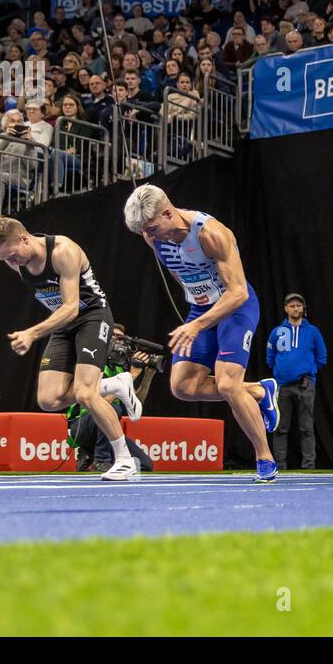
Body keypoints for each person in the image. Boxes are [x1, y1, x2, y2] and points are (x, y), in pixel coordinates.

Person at [122, 185, 282, 482]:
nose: (151, 236)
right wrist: (196, 307)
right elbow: (177, 268)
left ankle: (264, 456)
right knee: (182, 387)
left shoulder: (211, 234)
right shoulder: (152, 235)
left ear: (168, 212)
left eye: (154, 228)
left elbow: (238, 292)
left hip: (235, 307)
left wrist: (197, 324)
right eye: (146, 232)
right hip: (200, 309)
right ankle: (260, 390)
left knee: (228, 383)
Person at [0, 218, 143, 481]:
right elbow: (62, 310)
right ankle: (114, 384)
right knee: (48, 400)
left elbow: (71, 306)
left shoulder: (63, 251)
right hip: (64, 325)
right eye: (6, 260)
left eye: (12, 256)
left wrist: (33, 332)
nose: (12, 263)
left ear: (25, 238)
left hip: (92, 316)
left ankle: (124, 460)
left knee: (84, 392)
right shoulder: (18, 263)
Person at [67, 323, 156, 473]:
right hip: (82, 425)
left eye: (122, 339)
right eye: (114, 337)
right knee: (112, 408)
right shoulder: (92, 363)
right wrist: (132, 376)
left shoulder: (120, 368)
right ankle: (100, 460)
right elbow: (96, 404)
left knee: (144, 465)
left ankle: (89, 454)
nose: (119, 342)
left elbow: (135, 405)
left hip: (106, 429)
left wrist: (147, 377)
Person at [265, 293, 327, 470]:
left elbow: (322, 357)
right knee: (280, 427)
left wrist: (309, 372)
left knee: (306, 427)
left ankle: (308, 466)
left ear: (303, 308)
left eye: (299, 305)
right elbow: (270, 357)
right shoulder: (276, 332)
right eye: (292, 305)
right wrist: (281, 372)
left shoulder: (312, 331)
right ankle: (279, 466)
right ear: (286, 308)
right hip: (282, 386)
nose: (295, 308)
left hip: (305, 386)